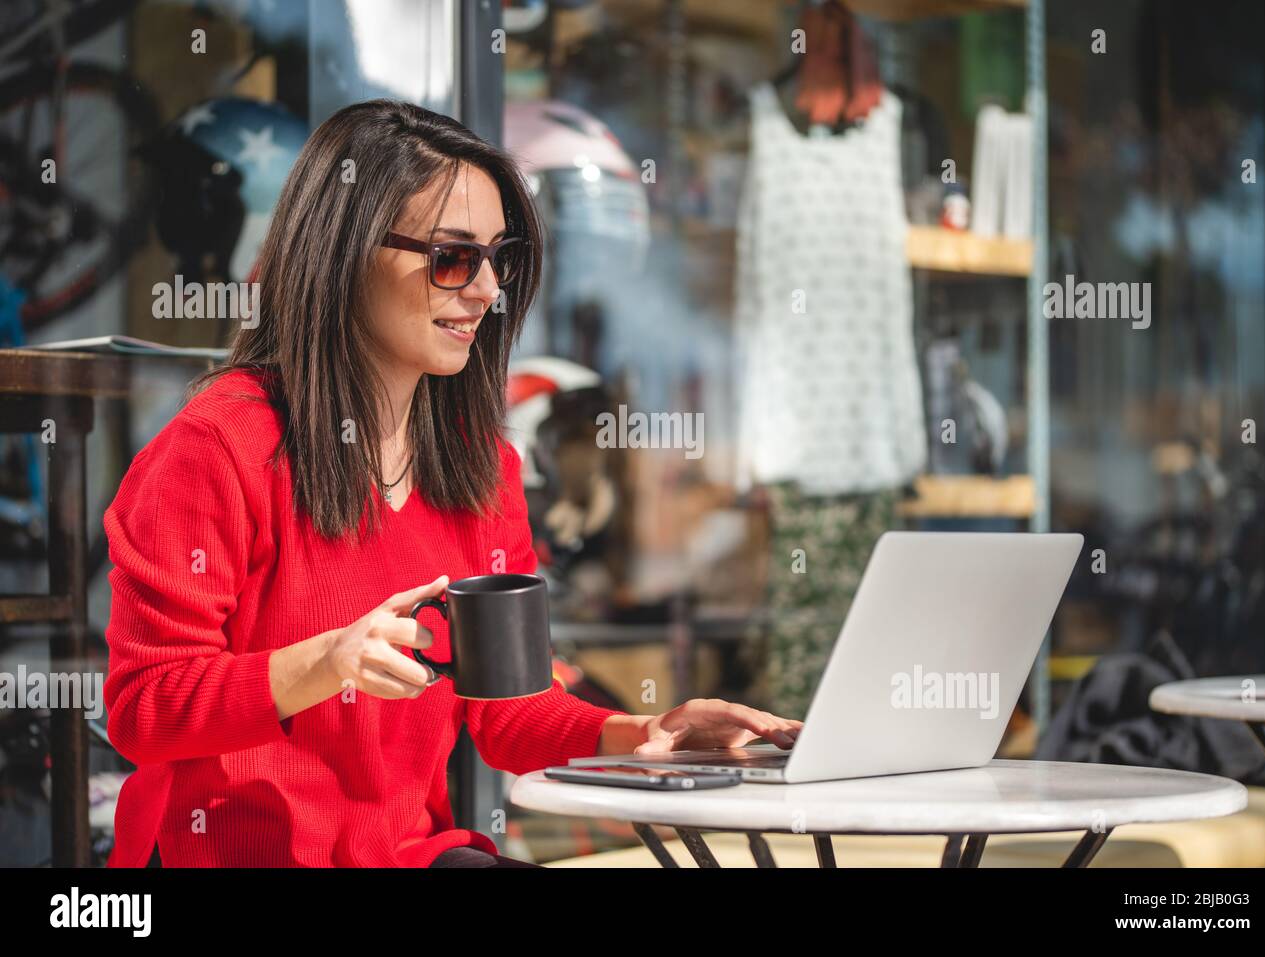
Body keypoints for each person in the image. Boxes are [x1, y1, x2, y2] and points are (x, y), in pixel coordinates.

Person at [104, 100, 802, 867]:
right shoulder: (217, 446)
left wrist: (639, 732)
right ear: (344, 252)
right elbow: (145, 707)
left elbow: (509, 710)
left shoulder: (479, 465)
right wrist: (325, 662)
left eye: (497, 258)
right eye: (452, 256)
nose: (485, 289)